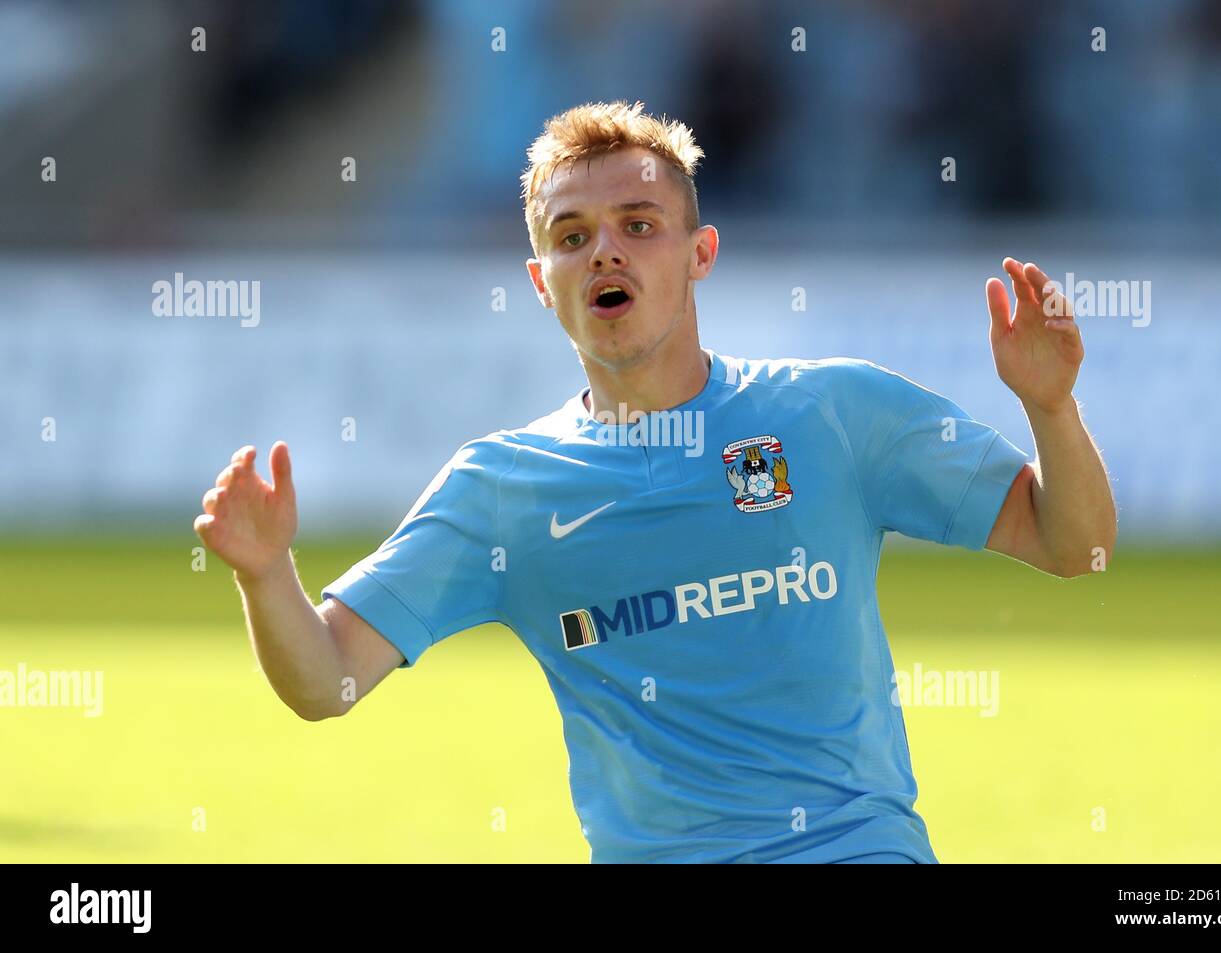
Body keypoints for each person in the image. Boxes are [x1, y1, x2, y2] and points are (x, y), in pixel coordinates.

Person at [194, 100, 1116, 863]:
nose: (606, 252)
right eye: (573, 236)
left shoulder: (830, 413)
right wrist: (264, 572)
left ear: (699, 252)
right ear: (539, 278)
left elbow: (1076, 544)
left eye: (639, 226)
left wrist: (1051, 408)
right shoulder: (502, 488)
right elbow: (328, 684)